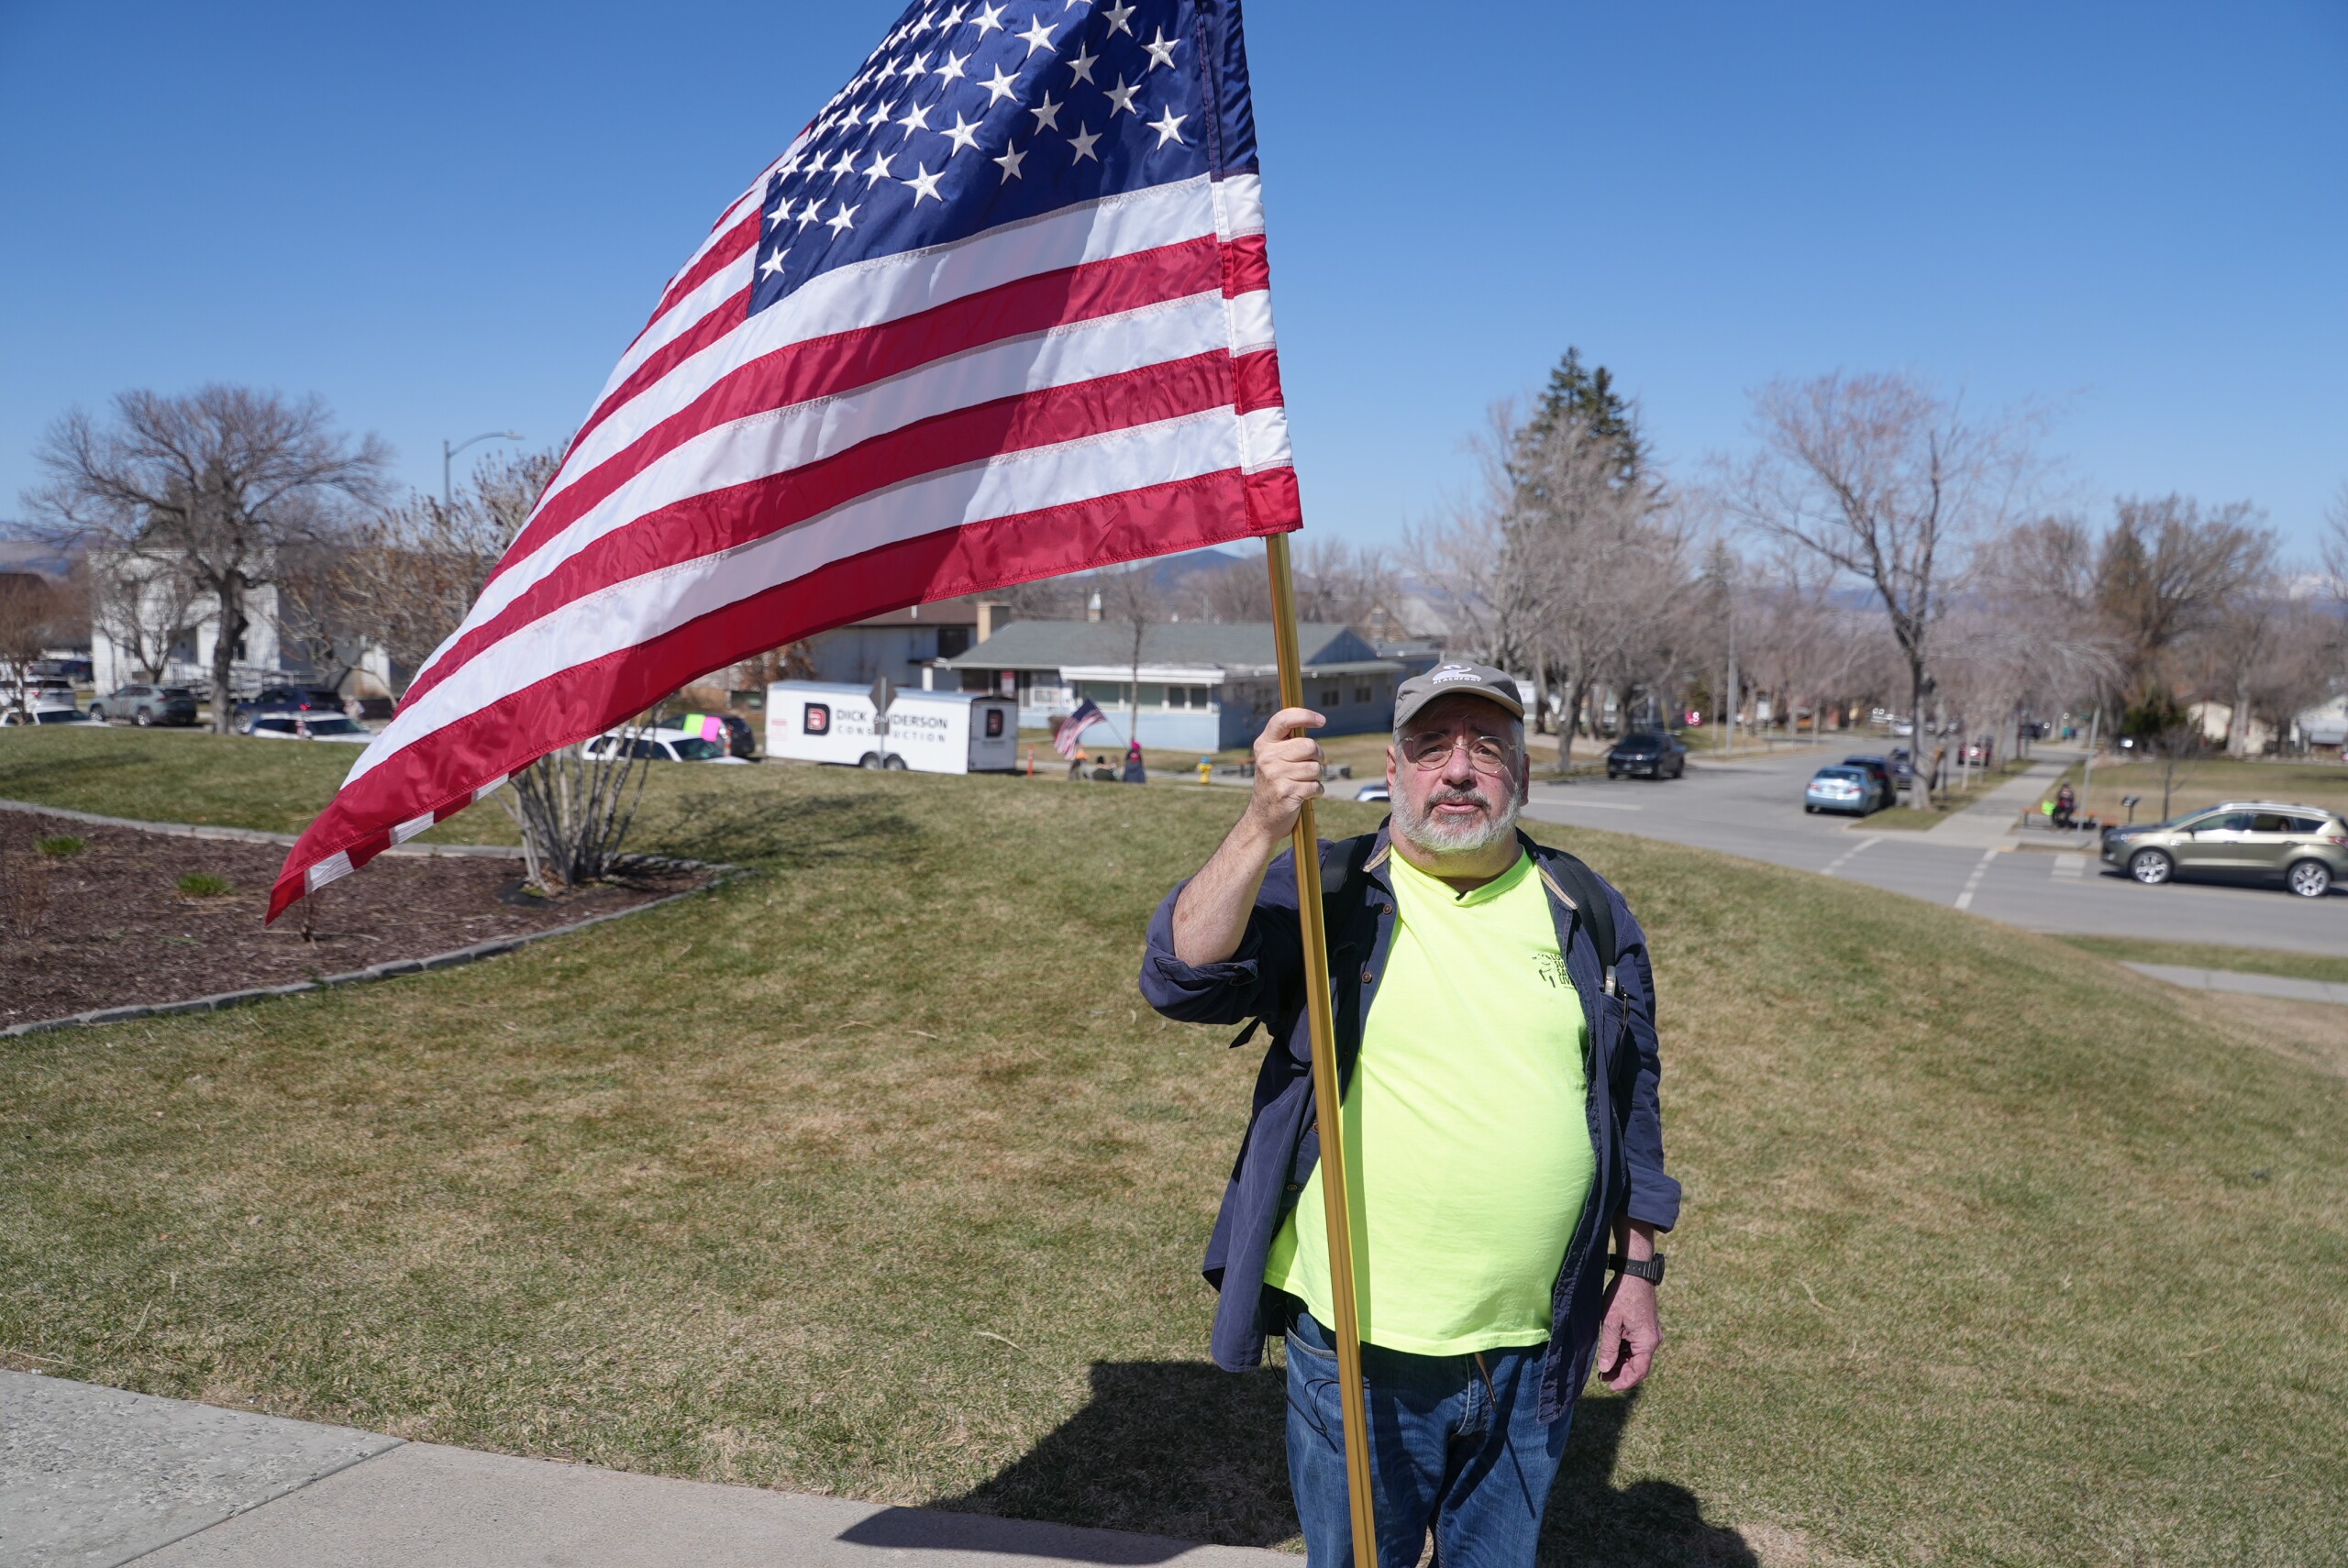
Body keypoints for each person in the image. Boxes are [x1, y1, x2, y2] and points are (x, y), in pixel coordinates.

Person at [1138, 662, 1678, 1568]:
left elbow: (1633, 1096)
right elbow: (1181, 976)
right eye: (1432, 747)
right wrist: (1263, 819)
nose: (1458, 771)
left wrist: (1638, 1269)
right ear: (1392, 769)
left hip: (1533, 1348)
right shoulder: (1334, 891)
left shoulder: (1585, 908)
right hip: (1356, 1351)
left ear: (1524, 775)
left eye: (1486, 749)